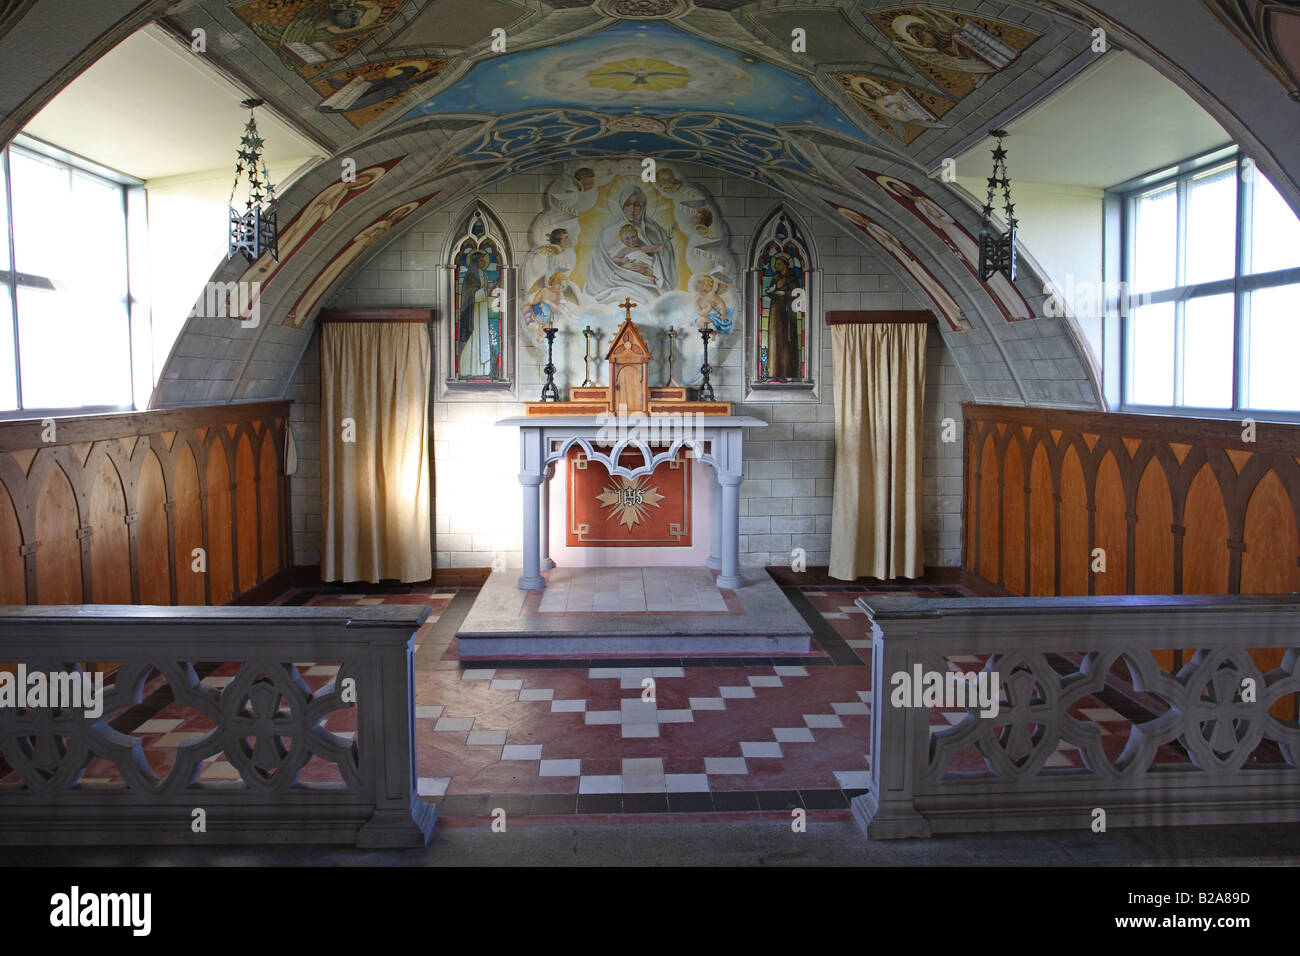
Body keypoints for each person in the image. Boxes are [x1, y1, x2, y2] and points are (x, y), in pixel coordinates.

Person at [585, 185, 676, 304]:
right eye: (627, 204)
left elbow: (665, 260)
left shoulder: (656, 231)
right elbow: (600, 266)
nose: (632, 209)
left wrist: (650, 270)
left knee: (653, 303)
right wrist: (625, 266)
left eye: (637, 204)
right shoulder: (607, 233)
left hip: (649, 281)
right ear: (621, 206)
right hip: (616, 283)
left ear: (643, 206)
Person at [763, 253, 801, 379]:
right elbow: (769, 290)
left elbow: (797, 293)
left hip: (787, 311)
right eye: (775, 263)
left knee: (785, 339)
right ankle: (774, 372)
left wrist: (784, 293)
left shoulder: (791, 276)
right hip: (776, 309)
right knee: (774, 337)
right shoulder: (776, 277)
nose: (775, 265)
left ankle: (787, 372)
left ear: (785, 264)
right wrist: (773, 292)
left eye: (778, 263)